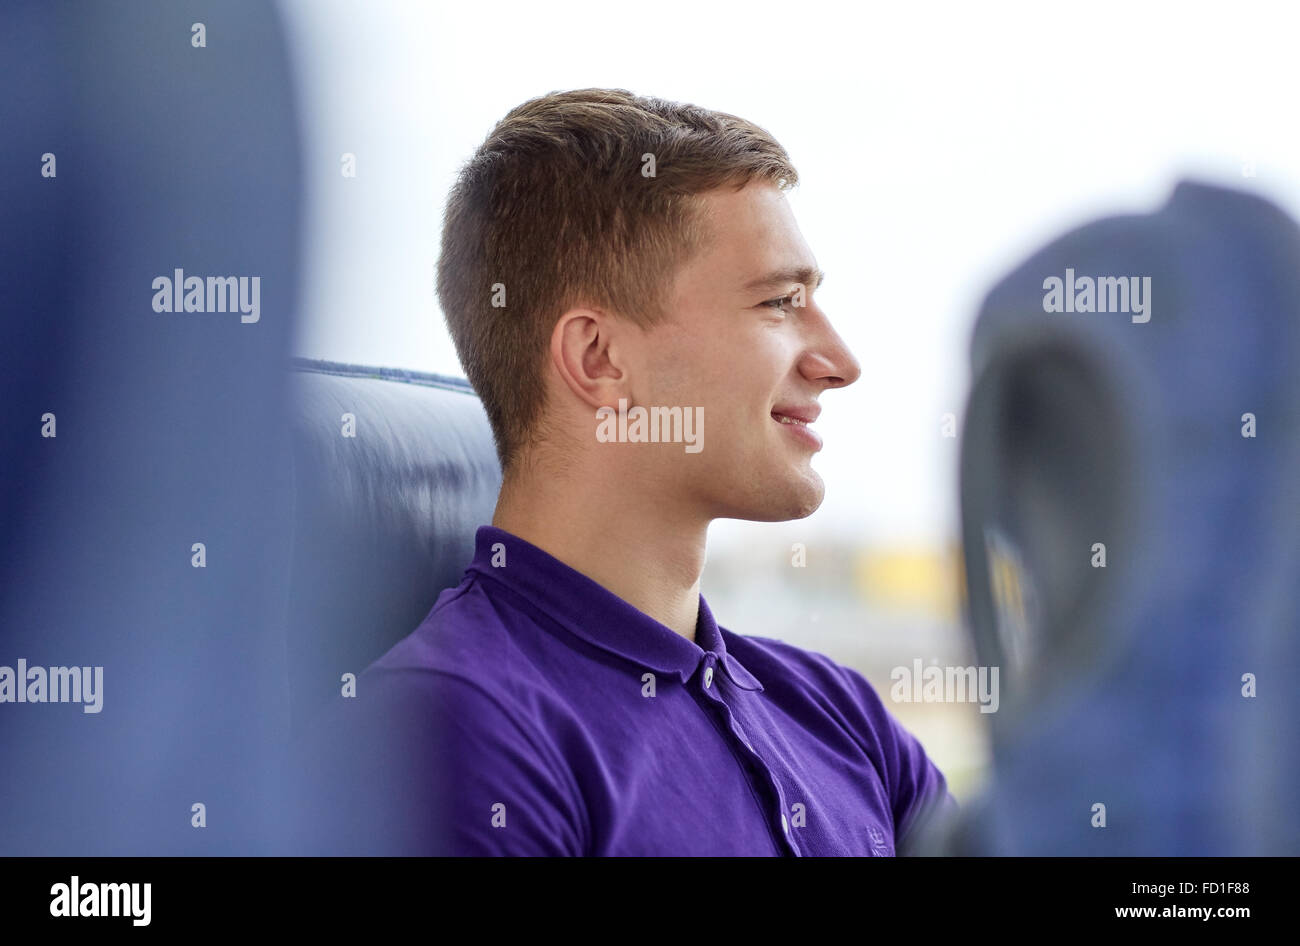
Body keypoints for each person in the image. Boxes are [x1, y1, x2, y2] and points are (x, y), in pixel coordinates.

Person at [283, 88, 957, 856]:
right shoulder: (447, 736)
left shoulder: (841, 715)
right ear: (599, 360)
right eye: (779, 301)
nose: (841, 362)